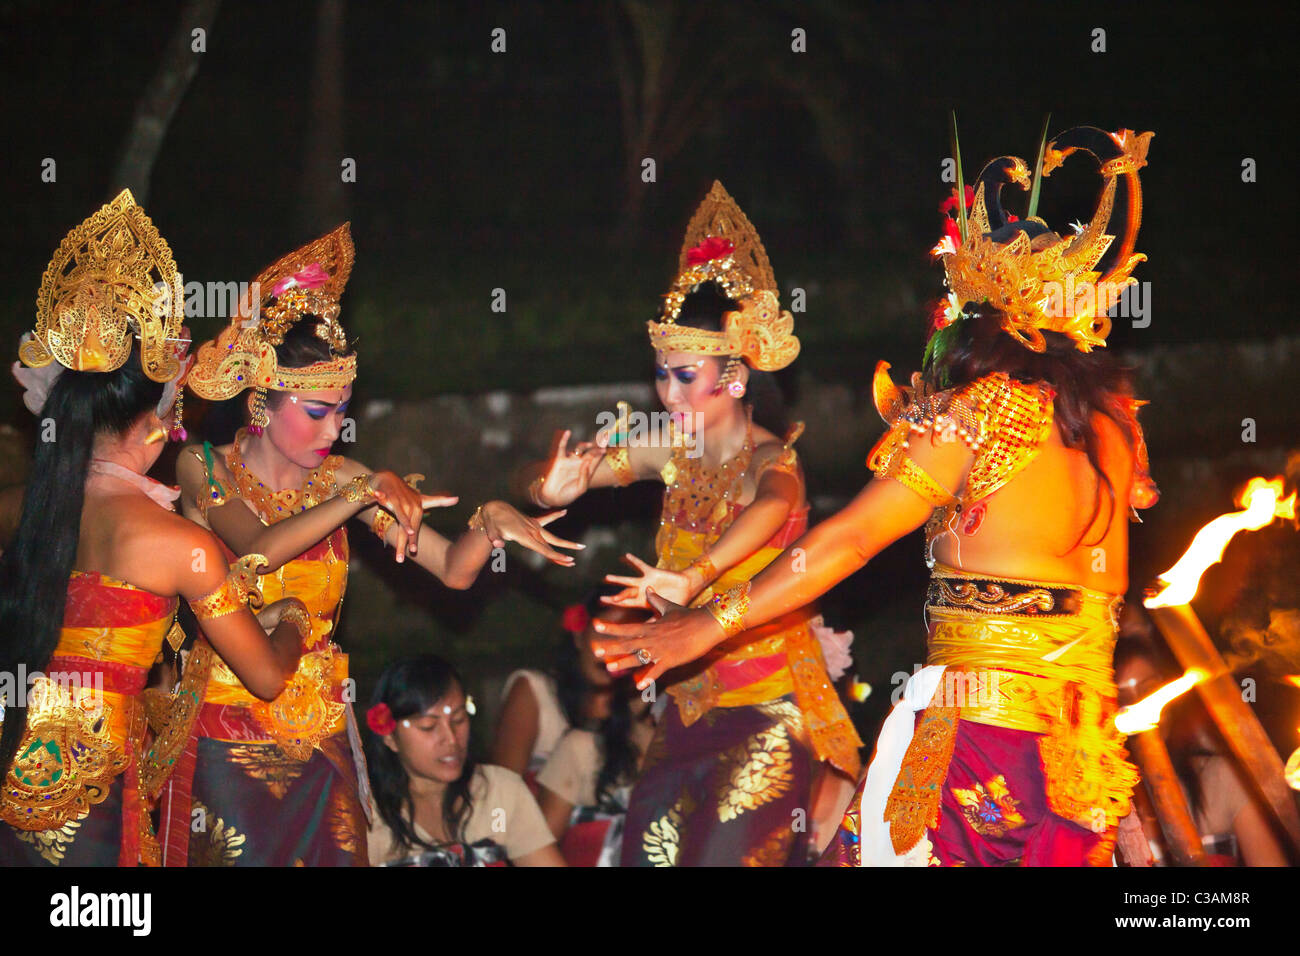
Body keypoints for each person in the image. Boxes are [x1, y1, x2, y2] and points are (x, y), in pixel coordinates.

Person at [594, 128, 1161, 867]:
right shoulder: (1118, 428)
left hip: (985, 737)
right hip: (1086, 754)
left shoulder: (982, 411)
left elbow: (853, 539)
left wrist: (709, 623)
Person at [153, 223, 582, 866]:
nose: (336, 426)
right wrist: (361, 494)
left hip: (321, 734)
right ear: (263, 406)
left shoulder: (344, 480)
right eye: (318, 410)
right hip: (226, 728)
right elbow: (259, 550)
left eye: (343, 407)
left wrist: (490, 522)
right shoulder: (203, 467)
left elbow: (451, 570)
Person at [524, 182, 862, 866]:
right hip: (684, 713)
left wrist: (698, 573)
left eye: (685, 376)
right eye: (660, 376)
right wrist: (546, 484)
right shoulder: (669, 449)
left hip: (768, 713)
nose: (667, 395)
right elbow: (582, 467)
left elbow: (771, 509)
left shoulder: (772, 459)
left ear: (735, 377)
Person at [0, 191, 303, 866]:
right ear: (157, 422)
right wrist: (292, 625)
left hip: (13, 756)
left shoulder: (27, 505)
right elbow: (266, 677)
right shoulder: (182, 549)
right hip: (92, 792)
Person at [366, 654, 564, 866]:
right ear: (390, 737)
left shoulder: (500, 792)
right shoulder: (363, 816)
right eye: (428, 727)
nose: (451, 739)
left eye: (458, 720)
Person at [534, 597, 656, 865]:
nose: (611, 648)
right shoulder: (578, 746)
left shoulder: (669, 733)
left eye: (624, 635)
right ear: (579, 635)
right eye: (603, 632)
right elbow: (535, 852)